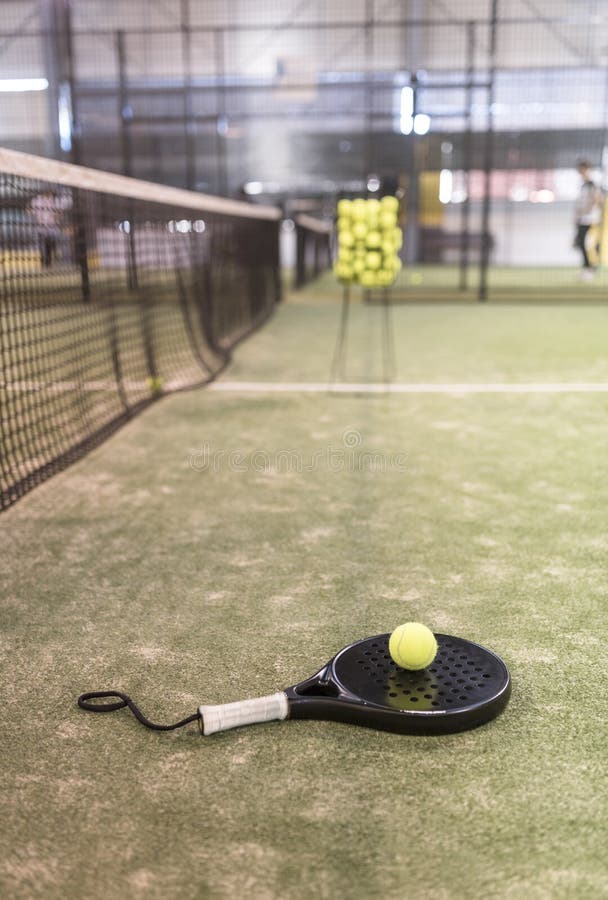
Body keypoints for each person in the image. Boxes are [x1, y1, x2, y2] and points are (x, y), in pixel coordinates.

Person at [574, 160, 603, 280]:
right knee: (580, 243)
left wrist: (589, 209)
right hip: (582, 219)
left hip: (591, 219)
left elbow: (598, 199)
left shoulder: (592, 185)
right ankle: (587, 267)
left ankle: (590, 268)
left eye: (583, 170)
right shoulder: (582, 185)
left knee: (588, 243)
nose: (582, 173)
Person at [29, 188, 71, 268]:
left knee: (51, 243)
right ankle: (44, 263)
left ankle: (50, 260)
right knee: (42, 245)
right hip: (41, 226)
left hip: (52, 226)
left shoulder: (55, 201)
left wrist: (57, 216)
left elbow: (59, 213)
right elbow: (31, 210)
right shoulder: (37, 200)